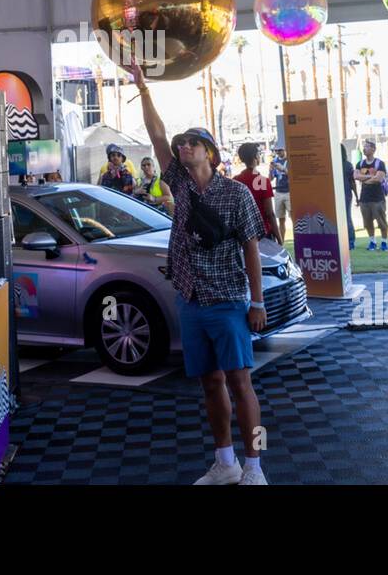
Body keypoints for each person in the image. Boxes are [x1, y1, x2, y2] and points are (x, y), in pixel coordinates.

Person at [131, 58, 270, 485]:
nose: (183, 147)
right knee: (210, 384)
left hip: (229, 301)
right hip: (191, 301)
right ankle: (225, 463)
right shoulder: (182, 184)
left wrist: (257, 301)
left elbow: (252, 248)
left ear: (210, 152)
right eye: (182, 143)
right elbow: (156, 135)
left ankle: (255, 465)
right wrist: (143, 89)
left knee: (242, 386)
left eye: (193, 142)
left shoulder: (237, 194)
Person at [234, 143, 282, 244]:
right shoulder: (262, 181)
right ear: (256, 156)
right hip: (263, 233)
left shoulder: (235, 181)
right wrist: (279, 239)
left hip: (243, 235)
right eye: (259, 154)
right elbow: (270, 214)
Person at [354, 139, 388, 251]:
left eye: (367, 146)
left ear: (373, 149)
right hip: (364, 198)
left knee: (381, 222)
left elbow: (378, 179)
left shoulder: (379, 163)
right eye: (364, 146)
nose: (364, 148)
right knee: (367, 222)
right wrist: (370, 177)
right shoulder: (360, 163)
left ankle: (384, 242)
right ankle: (372, 242)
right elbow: (356, 176)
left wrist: (364, 179)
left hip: (377, 198)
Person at [270, 146, 291, 239]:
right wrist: (270, 170)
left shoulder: (290, 160)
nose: (278, 152)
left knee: (293, 218)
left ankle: (297, 241)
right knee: (281, 220)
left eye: (280, 150)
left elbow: (294, 175)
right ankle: (282, 243)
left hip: (289, 192)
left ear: (285, 150)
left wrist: (283, 169)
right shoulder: (274, 161)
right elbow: (270, 178)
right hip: (278, 192)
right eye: (276, 150)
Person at [340, 143, 356, 251]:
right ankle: (350, 241)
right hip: (346, 194)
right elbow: (352, 182)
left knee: (345, 218)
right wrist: (357, 196)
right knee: (347, 217)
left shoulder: (334, 164)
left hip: (342, 194)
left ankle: (349, 241)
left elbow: (352, 182)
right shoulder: (348, 165)